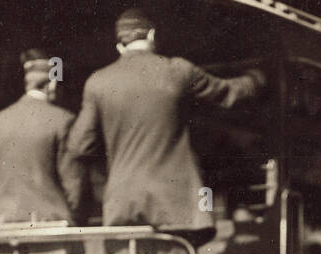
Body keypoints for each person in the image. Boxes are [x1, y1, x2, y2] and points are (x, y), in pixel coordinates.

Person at [68, 8, 265, 241]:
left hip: (123, 203)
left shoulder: (97, 82)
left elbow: (79, 146)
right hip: (176, 204)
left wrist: (115, 157)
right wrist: (256, 78)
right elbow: (228, 93)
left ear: (120, 44)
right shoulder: (177, 70)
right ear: (151, 35)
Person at [0, 49, 83, 224]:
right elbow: (73, 184)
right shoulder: (64, 121)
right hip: (52, 226)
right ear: (51, 84)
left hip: (6, 224)